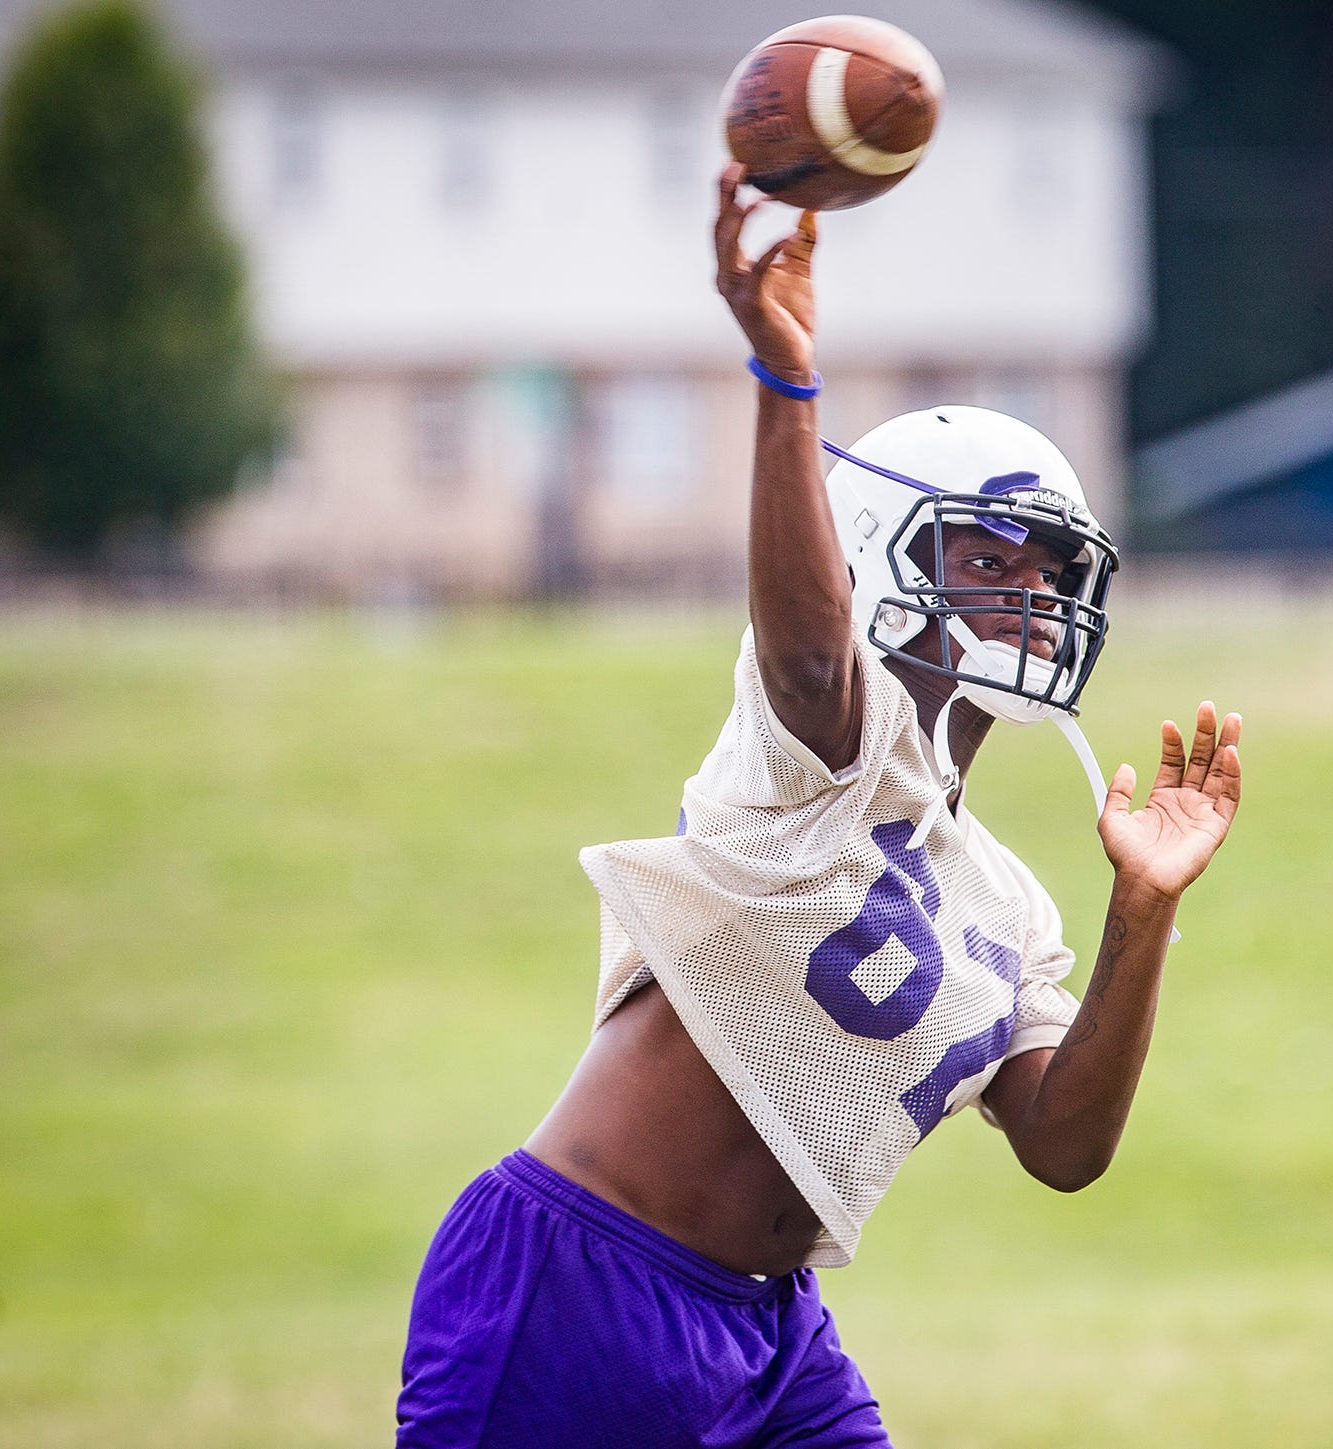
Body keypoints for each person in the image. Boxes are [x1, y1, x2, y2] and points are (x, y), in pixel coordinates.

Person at [394, 165, 1243, 1449]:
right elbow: (807, 652)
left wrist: (1139, 914)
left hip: (773, 1327)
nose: (1028, 587)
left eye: (1049, 564)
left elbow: (1065, 1143)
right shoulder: (824, 745)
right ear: (873, 546)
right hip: (582, 1278)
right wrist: (788, 384)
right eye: (985, 554)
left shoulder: (1002, 896)